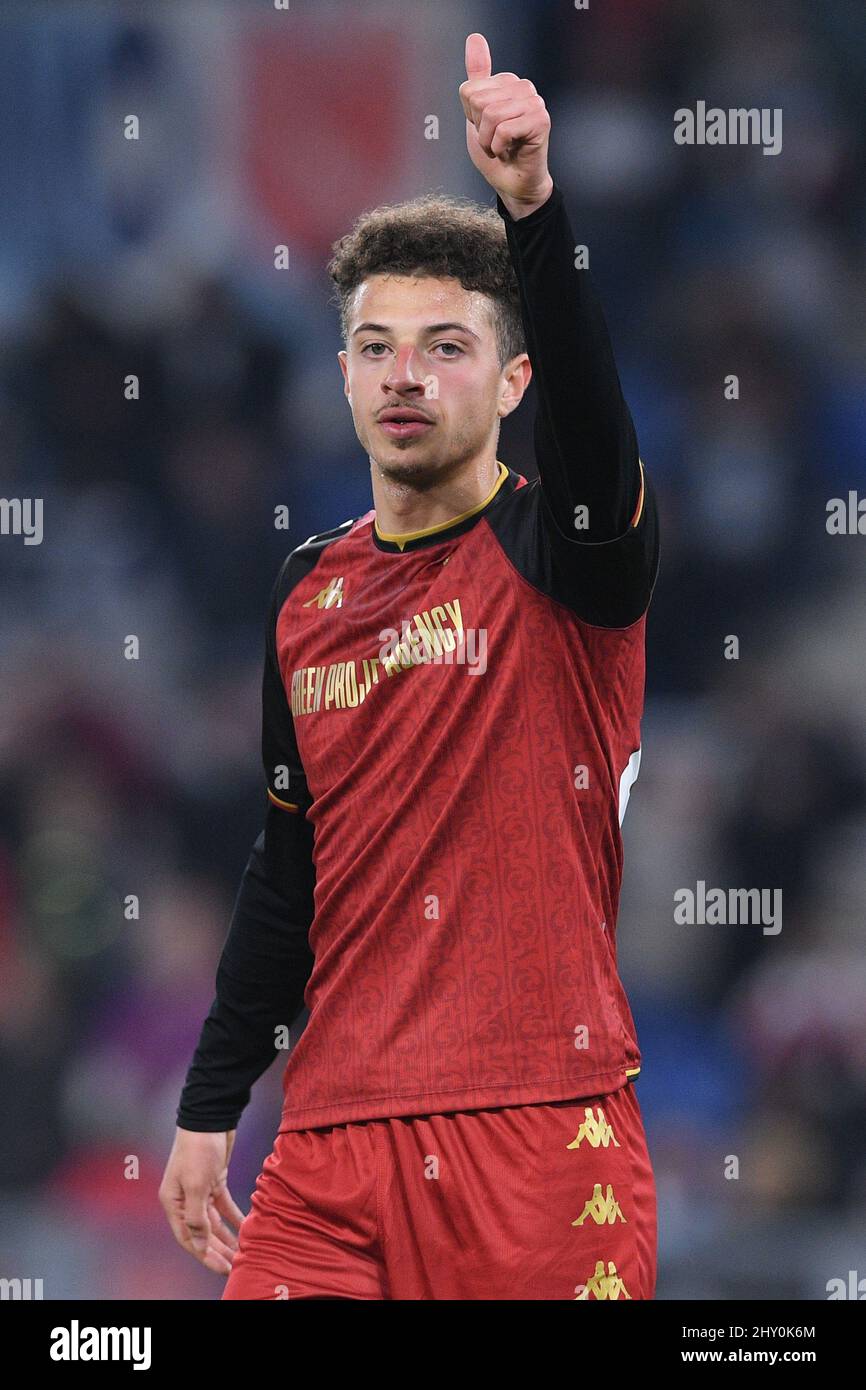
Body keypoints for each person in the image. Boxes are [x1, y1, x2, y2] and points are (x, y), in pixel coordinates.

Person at [160, 32, 660, 1300]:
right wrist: (212, 1098)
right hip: (330, 1148)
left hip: (541, 1128)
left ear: (511, 379)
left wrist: (534, 212)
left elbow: (597, 427)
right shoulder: (305, 595)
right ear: (340, 373)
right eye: (377, 346)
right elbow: (291, 868)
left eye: (446, 346)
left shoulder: (569, 557)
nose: (405, 375)